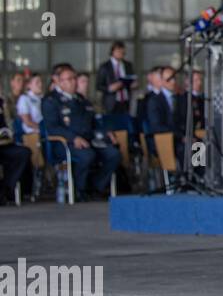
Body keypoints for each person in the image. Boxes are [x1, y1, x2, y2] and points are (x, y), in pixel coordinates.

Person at [42, 63, 120, 200]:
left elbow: (94, 122)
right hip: (65, 143)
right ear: (58, 81)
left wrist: (106, 132)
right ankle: (80, 189)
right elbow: (52, 127)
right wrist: (73, 138)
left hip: (89, 139)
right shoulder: (51, 100)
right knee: (87, 155)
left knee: (113, 154)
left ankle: (96, 187)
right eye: (69, 79)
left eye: (74, 78)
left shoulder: (81, 99)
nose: (73, 82)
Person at [0, 99, 33, 205]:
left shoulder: (2, 103)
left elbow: (8, 124)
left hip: (4, 144)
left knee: (23, 152)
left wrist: (8, 133)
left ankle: (8, 188)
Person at [96, 41, 135, 115]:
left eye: (123, 52)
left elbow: (132, 79)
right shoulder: (105, 67)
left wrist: (133, 84)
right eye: (118, 51)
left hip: (126, 101)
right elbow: (98, 86)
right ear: (112, 51)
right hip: (111, 102)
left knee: (125, 124)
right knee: (112, 124)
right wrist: (110, 88)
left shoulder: (128, 65)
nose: (121, 53)